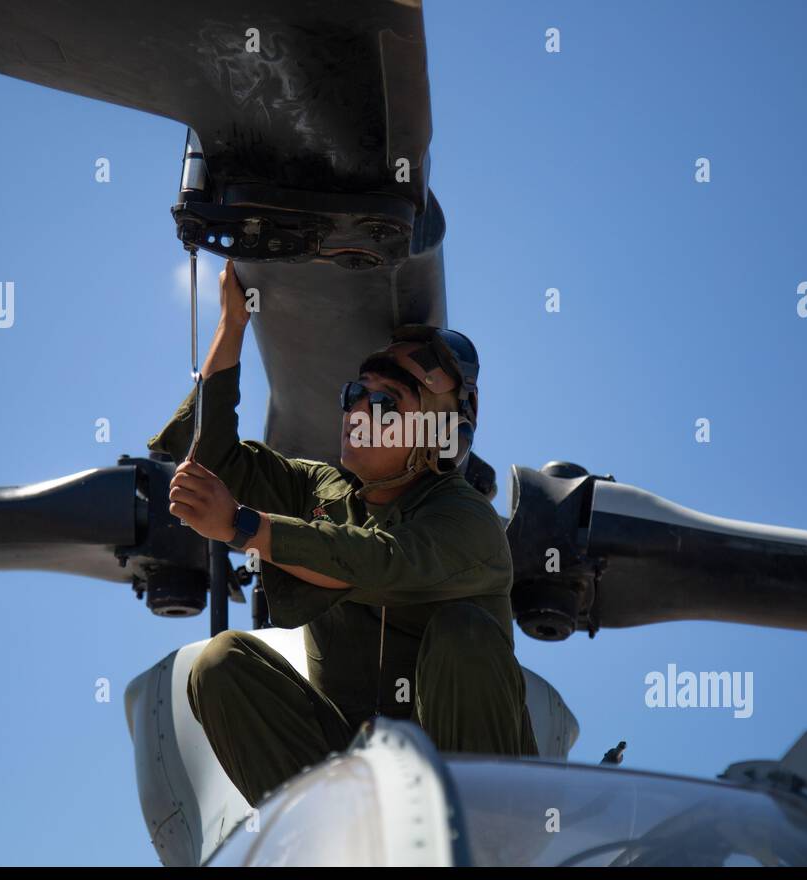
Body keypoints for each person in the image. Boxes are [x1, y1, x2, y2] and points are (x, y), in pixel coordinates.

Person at [147, 260, 538, 808]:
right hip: (355, 796)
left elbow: (377, 561)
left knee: (463, 635)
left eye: (383, 402)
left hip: (472, 810)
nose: (358, 407)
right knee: (221, 664)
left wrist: (243, 526)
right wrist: (233, 324)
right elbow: (212, 459)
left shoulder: (464, 522)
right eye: (356, 391)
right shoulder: (321, 491)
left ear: (437, 435)